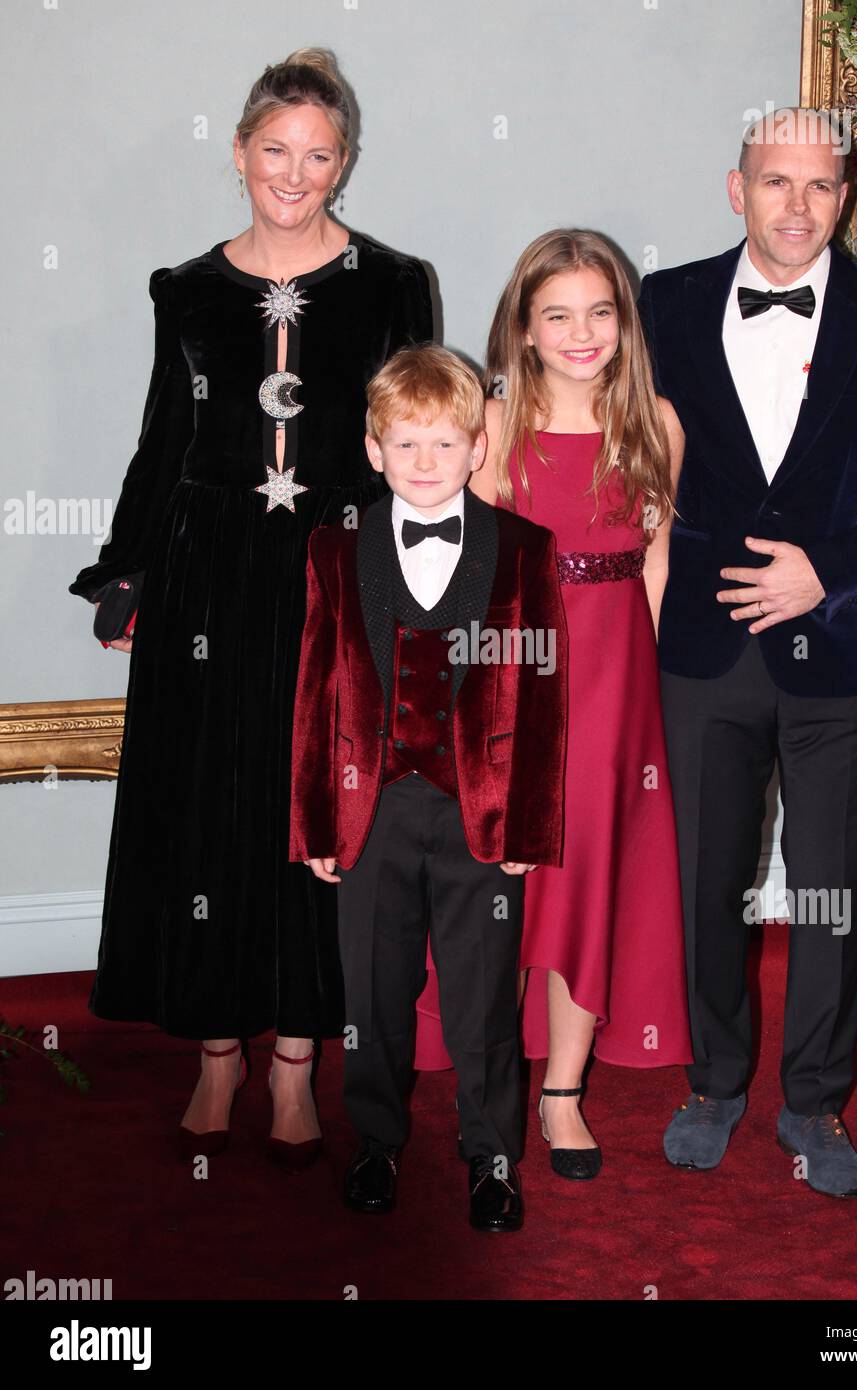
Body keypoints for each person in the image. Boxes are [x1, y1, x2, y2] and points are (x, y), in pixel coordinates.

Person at [68, 48, 432, 1171]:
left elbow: (407, 443)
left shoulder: (392, 283)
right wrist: (127, 572)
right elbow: (161, 444)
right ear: (238, 153)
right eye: (276, 149)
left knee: (312, 814)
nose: (295, 171)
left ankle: (295, 1061)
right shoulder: (185, 290)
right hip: (205, 578)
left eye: (319, 154)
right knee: (208, 809)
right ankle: (219, 1047)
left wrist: (409, 585)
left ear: (344, 163)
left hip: (334, 574)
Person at [640, 108, 857, 1196]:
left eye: (820, 187)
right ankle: (714, 1082)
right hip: (702, 647)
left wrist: (828, 571)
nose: (797, 206)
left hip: (847, 648)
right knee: (709, 884)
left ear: (847, 196)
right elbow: (614, 458)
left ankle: (816, 1103)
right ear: (737, 190)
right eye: (776, 183)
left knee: (829, 889)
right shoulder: (661, 304)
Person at [414, 229, 693, 1179]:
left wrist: (640, 694)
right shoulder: (489, 425)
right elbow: (463, 574)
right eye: (557, 316)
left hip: (618, 683)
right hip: (514, 676)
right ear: (524, 329)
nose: (582, 334)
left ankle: (562, 1091)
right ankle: (487, 1073)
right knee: (502, 883)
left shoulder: (655, 422)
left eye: (599, 313)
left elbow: (653, 562)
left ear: (623, 322)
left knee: (590, 880)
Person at [289, 345, 568, 1231]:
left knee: (481, 994)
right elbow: (313, 688)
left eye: (443, 445)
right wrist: (316, 822)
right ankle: (376, 1140)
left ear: (477, 447)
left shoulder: (522, 550)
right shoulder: (336, 550)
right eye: (404, 445)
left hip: (477, 815)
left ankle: (492, 1155)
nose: (423, 463)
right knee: (372, 993)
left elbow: (542, 694)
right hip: (369, 811)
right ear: (373, 450)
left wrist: (528, 824)